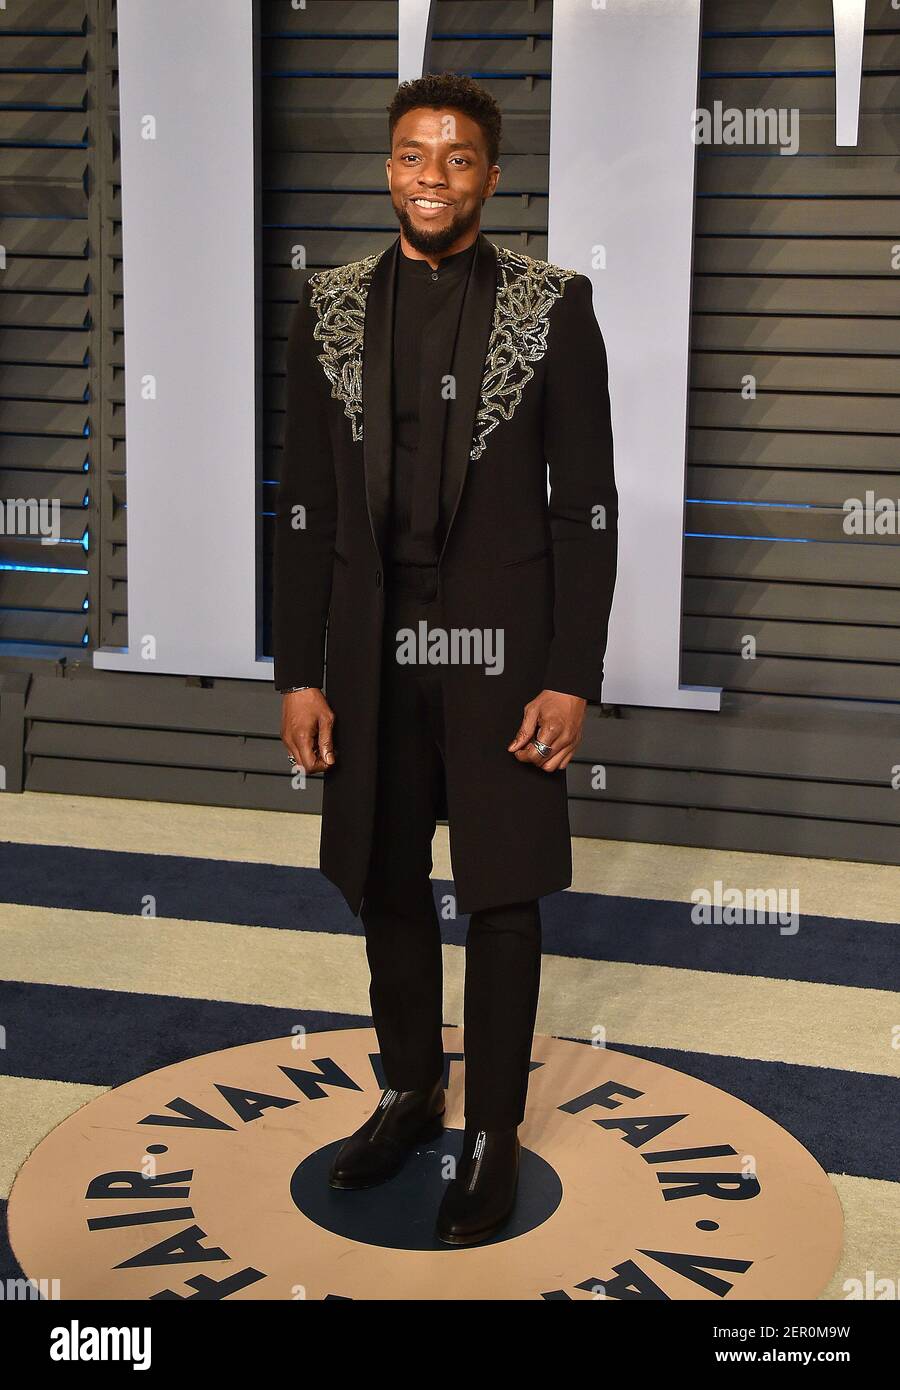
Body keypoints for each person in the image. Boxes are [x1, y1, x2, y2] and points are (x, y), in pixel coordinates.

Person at [273, 71, 617, 1245]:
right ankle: (412, 1089)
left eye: (457, 157)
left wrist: (572, 673)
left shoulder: (553, 303)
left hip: (505, 651)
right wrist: (299, 671)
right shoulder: (325, 305)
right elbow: (305, 506)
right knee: (380, 870)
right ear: (388, 172)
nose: (433, 175)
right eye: (414, 155)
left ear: (491, 174)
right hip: (370, 643)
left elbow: (588, 506)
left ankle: (496, 1128)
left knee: (502, 886)